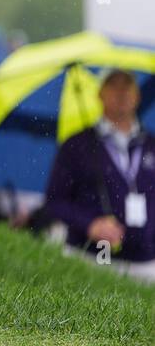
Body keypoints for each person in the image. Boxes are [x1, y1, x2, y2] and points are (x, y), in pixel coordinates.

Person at [44, 69, 154, 281]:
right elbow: (54, 200)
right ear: (100, 94)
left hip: (146, 263)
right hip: (92, 257)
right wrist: (90, 224)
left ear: (137, 95)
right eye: (113, 86)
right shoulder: (77, 145)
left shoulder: (151, 145)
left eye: (127, 86)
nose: (121, 93)